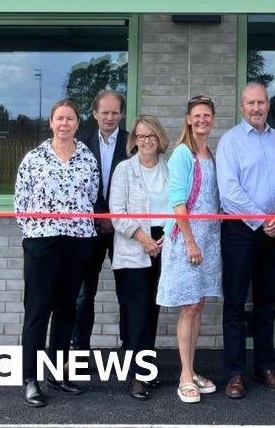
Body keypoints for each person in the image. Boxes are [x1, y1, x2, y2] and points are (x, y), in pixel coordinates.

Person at [14, 99, 99, 408]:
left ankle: (57, 374)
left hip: (77, 241)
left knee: (66, 310)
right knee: (38, 310)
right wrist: (36, 232)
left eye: (70, 119)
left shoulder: (87, 158)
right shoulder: (34, 158)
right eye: (59, 118)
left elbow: (91, 196)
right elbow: (21, 202)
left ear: (78, 123)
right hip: (42, 242)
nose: (64, 124)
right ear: (51, 123)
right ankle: (30, 378)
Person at [216, 82, 275, 399]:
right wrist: (263, 219)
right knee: (235, 303)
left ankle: (264, 366)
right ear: (242, 106)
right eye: (250, 103)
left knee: (267, 303)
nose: (256, 108)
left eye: (261, 102)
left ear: (267, 105)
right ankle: (234, 373)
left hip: (274, 231)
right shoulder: (230, 142)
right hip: (240, 231)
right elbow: (229, 192)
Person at [155, 95, 223, 403]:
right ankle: (184, 376)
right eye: (197, 115)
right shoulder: (183, 154)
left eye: (207, 115)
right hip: (186, 240)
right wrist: (191, 242)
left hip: (208, 240)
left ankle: (192, 370)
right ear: (188, 119)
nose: (202, 120)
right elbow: (178, 203)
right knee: (188, 307)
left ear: (213, 119)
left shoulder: (210, 153)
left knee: (198, 306)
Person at [109, 115, 170, 401]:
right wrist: (144, 239)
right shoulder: (124, 170)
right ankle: (134, 375)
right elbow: (117, 212)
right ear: (134, 140)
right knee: (137, 312)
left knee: (152, 311)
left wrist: (167, 235)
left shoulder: (168, 169)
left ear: (159, 139)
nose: (146, 141)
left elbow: (177, 206)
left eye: (151, 136)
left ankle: (146, 369)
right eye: (141, 136)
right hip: (134, 247)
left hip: (163, 243)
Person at [72, 90, 130, 352]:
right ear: (94, 114)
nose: (109, 117)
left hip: (124, 229)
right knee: (84, 295)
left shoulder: (132, 143)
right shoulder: (81, 146)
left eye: (115, 112)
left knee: (127, 293)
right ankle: (79, 351)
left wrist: (115, 217)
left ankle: (130, 352)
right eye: (104, 112)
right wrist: (100, 214)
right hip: (90, 229)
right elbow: (78, 189)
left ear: (121, 114)